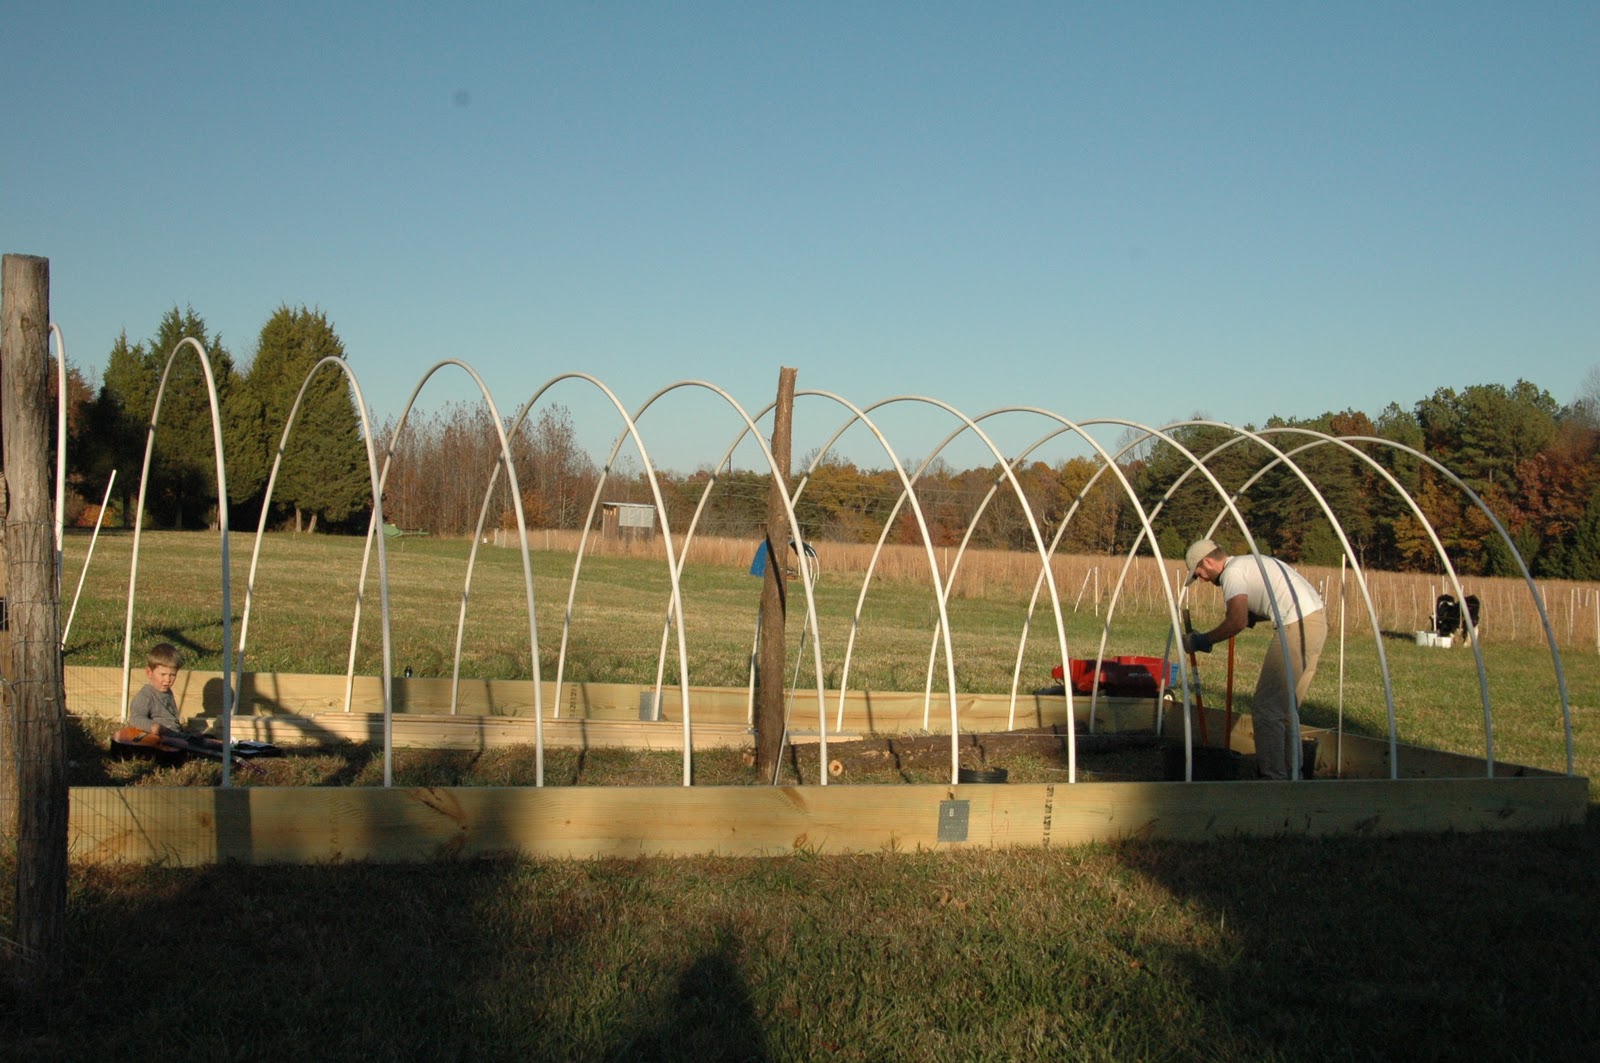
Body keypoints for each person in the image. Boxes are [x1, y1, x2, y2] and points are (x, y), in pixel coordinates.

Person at [1182, 539, 1326, 780]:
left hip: (1297, 625)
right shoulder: (1248, 564)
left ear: (1208, 562)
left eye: (1199, 574)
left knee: (1266, 707)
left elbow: (1236, 621)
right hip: (1315, 622)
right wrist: (1252, 617)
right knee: (1285, 708)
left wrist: (1202, 640)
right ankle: (1293, 776)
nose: (1203, 580)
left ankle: (1273, 781)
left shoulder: (1232, 572)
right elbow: (1261, 606)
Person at [126, 642, 222, 752]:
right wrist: (153, 726)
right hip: (162, 739)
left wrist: (183, 729)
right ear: (149, 672)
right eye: (163, 674)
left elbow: (170, 721)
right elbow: (135, 719)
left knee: (205, 738)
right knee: (199, 744)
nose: (168, 680)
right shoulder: (146, 696)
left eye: (172, 675)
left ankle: (220, 746)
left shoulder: (167, 693)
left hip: (174, 735)